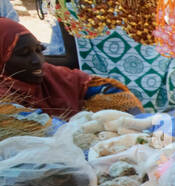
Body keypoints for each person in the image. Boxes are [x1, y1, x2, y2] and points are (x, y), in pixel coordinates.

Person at [0, 17, 142, 118]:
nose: (38, 61)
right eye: (24, 54)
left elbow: (94, 86)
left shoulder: (49, 74)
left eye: (39, 50)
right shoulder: (3, 98)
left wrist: (135, 117)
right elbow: (34, 126)